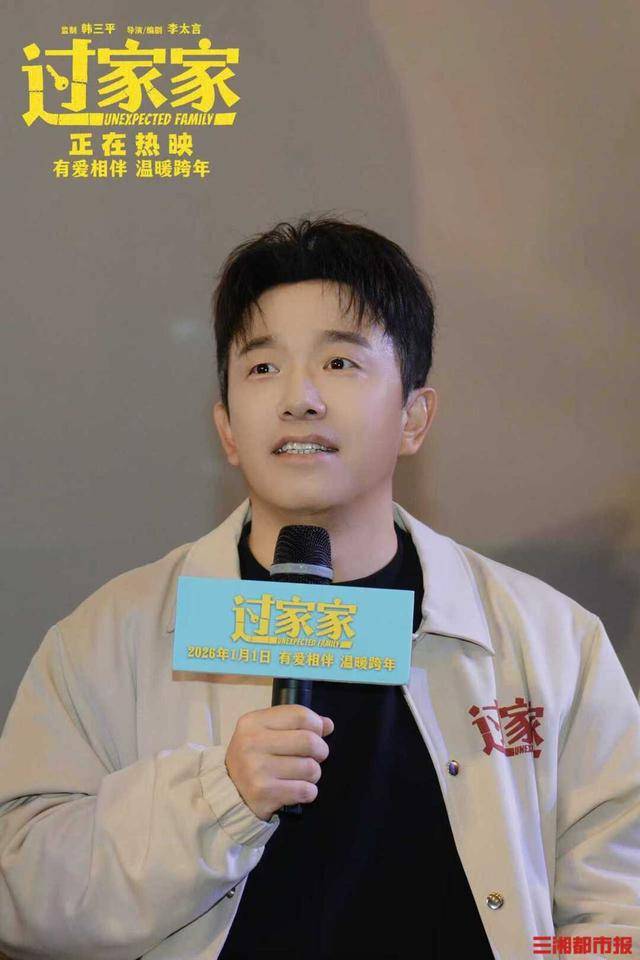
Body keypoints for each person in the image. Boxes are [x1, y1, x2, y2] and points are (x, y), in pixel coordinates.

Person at [0, 217, 638, 960]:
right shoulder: (110, 638)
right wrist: (216, 797)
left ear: (413, 417)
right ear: (227, 429)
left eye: (339, 362)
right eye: (262, 367)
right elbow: (20, 891)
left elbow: (617, 904)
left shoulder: (554, 641)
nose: (298, 397)